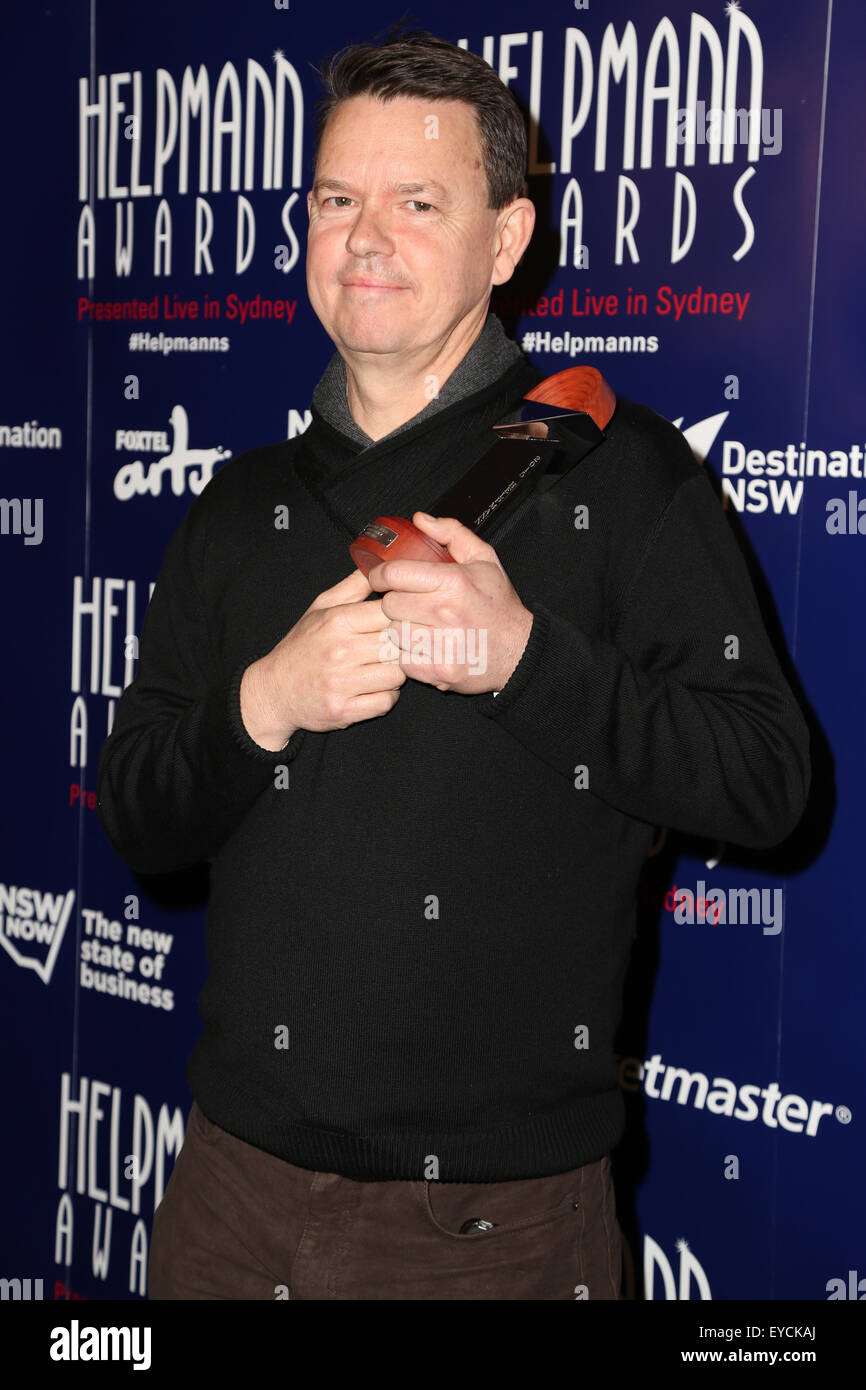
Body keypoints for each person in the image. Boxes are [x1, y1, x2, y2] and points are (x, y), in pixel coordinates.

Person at [97, 29, 811, 1301]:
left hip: (494, 1231)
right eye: (334, 199)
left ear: (504, 240)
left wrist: (522, 660)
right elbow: (143, 823)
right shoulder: (233, 502)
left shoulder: (619, 473)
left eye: (415, 202)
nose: (361, 235)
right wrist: (265, 700)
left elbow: (765, 782)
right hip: (225, 1197)